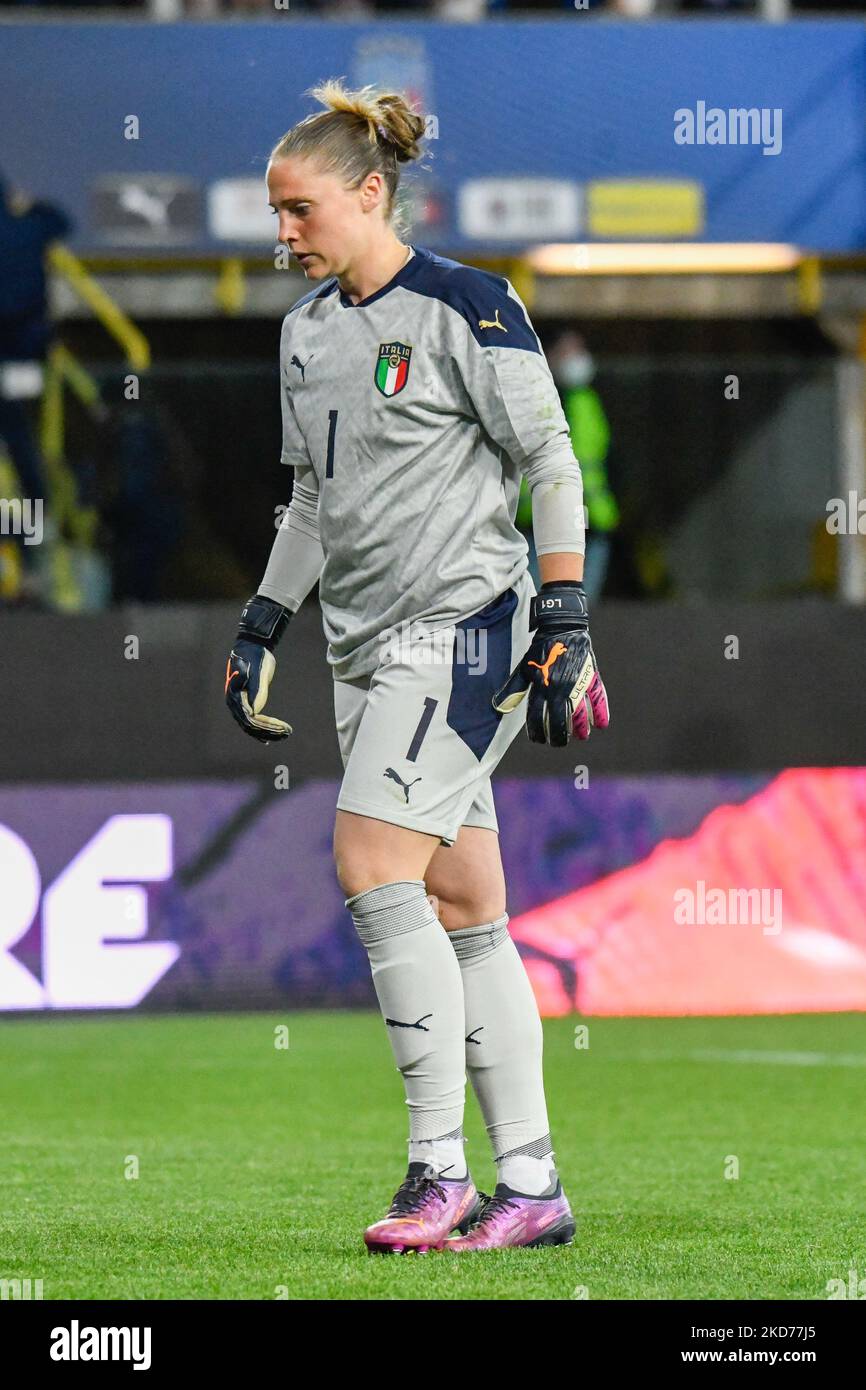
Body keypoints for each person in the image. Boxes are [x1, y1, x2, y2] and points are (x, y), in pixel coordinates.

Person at [224, 79, 609, 1255]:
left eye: (298, 208)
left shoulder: (469, 306)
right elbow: (308, 499)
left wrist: (564, 611)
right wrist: (261, 625)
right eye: (275, 211)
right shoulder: (304, 334)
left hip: (465, 629)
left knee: (369, 861)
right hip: (361, 648)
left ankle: (436, 1172)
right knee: (463, 905)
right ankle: (530, 1183)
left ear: (370, 192)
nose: (282, 232)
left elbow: (548, 459)